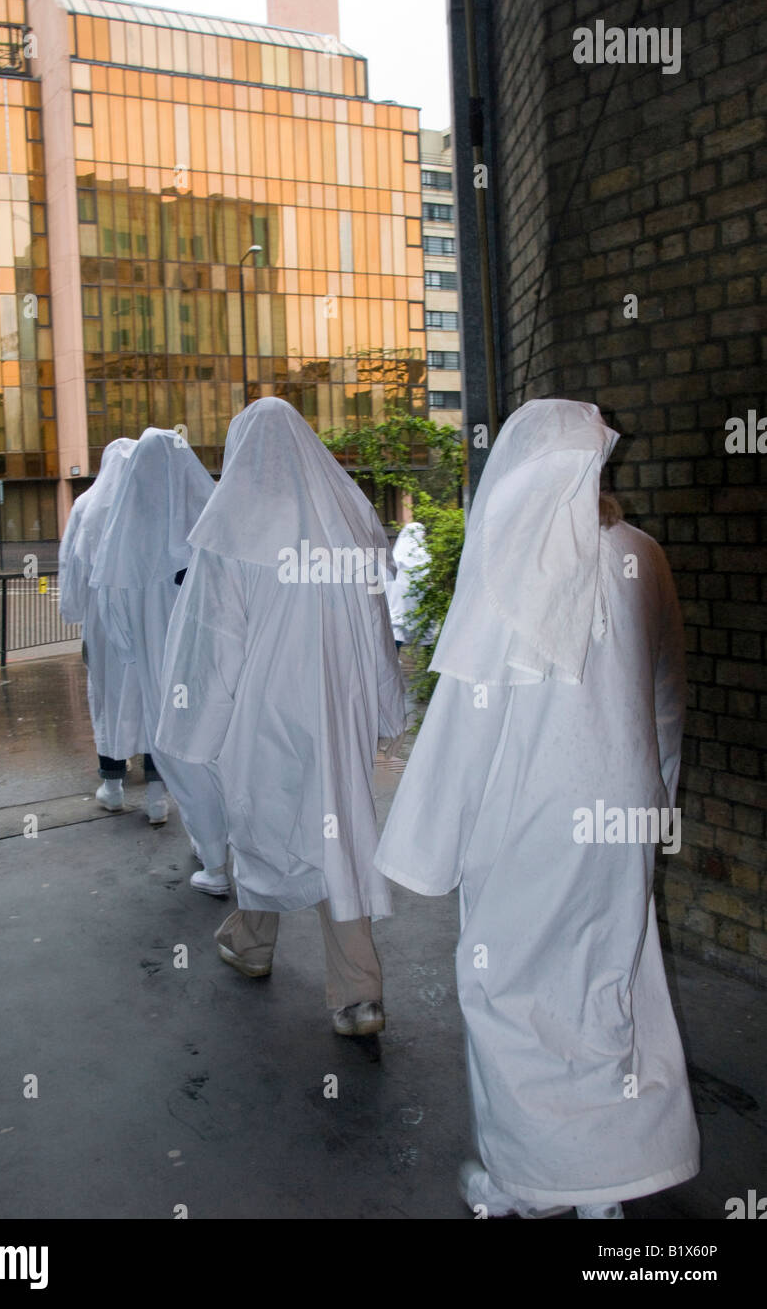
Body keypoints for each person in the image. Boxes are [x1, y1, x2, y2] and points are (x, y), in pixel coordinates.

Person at [374, 398, 700, 1218]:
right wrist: (656, 790)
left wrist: (425, 846)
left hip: (527, 827)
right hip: (620, 814)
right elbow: (666, 694)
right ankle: (602, 1185)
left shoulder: (509, 573)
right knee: (607, 983)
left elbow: (463, 729)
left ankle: (520, 1184)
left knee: (509, 997)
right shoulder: (644, 557)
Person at [155, 397, 406, 1035]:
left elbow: (215, 641)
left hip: (265, 712)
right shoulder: (350, 515)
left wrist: (192, 731)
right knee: (337, 830)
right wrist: (381, 708)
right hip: (339, 707)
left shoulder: (232, 528)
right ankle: (346, 989)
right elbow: (379, 628)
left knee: (267, 826)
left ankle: (274, 953)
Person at [89, 428, 230, 895]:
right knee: (217, 754)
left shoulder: (125, 531)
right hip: (215, 667)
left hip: (159, 672)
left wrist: (133, 653)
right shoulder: (211, 520)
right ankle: (222, 845)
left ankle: (215, 859)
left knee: (180, 757)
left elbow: (113, 608)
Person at [58, 437, 166, 823]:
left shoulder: (87, 506)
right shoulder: (154, 506)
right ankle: (157, 797)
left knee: (108, 700)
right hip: (152, 623)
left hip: (103, 625)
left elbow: (72, 567)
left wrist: (71, 609)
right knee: (155, 702)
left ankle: (114, 786)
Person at [385, 520, 432, 651]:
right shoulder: (423, 554)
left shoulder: (397, 553)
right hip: (418, 595)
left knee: (398, 624)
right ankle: (429, 660)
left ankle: (394, 659)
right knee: (426, 624)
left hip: (399, 595)